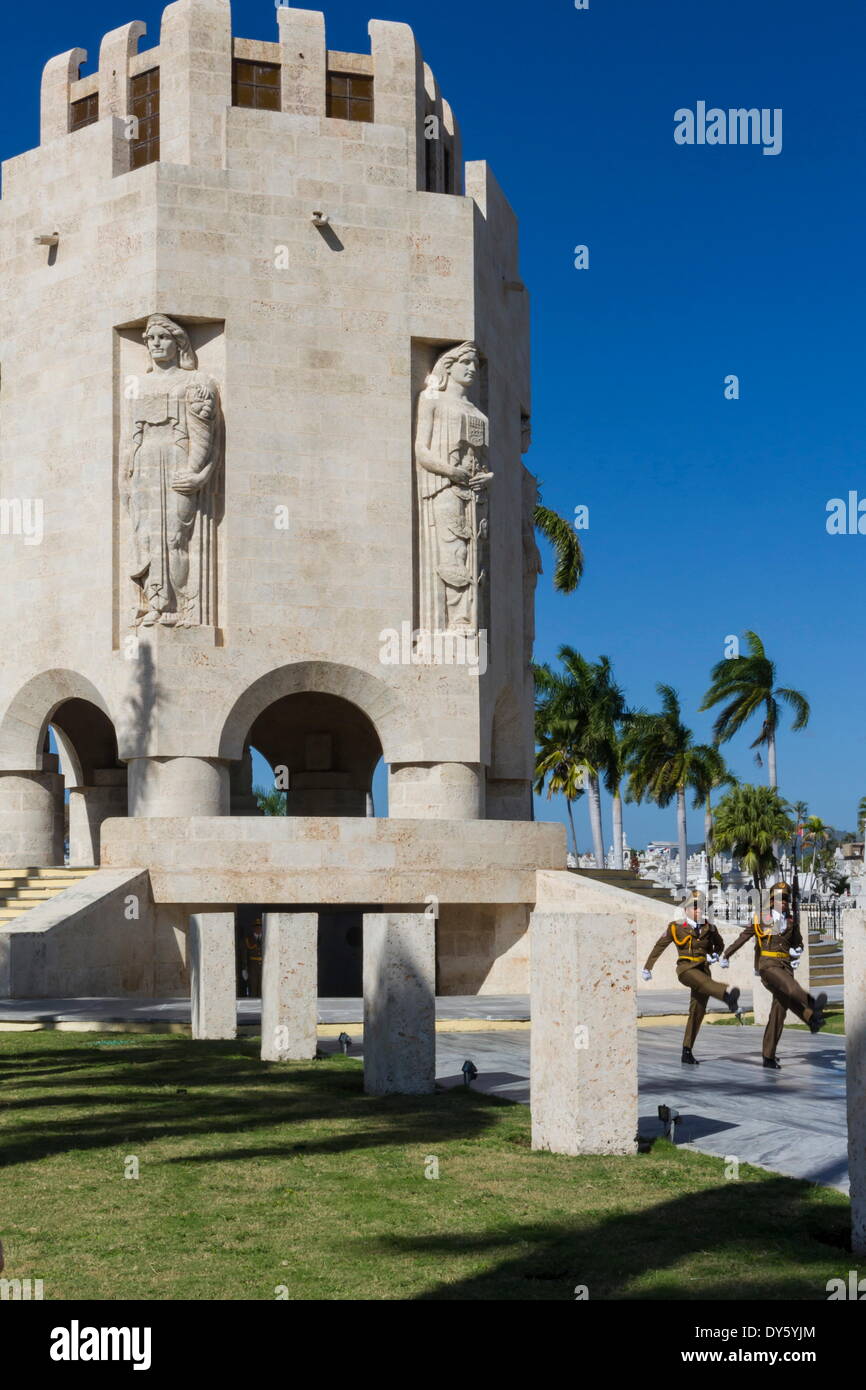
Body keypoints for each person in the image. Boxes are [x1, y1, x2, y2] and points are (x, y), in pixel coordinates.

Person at [722, 881, 826, 1069]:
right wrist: (726, 954)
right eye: (780, 898)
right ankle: (812, 1006)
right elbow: (744, 937)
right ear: (772, 900)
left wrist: (796, 953)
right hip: (768, 965)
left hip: (786, 965)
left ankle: (768, 1056)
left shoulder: (792, 921)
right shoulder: (761, 918)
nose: (783, 901)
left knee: (779, 1010)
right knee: (790, 987)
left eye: (786, 898)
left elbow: (798, 944)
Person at [642, 888, 743, 1064]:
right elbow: (659, 946)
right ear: (686, 910)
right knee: (704, 982)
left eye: (701, 907)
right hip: (685, 969)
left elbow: (720, 945)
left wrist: (715, 954)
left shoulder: (710, 928)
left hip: (703, 969)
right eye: (694, 907)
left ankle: (687, 1051)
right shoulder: (676, 927)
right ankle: (726, 996)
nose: (698, 910)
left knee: (697, 1011)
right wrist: (648, 967)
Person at [243, 917, 264, 998]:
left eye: (259, 927)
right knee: (253, 986)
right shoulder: (248, 939)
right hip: (252, 966)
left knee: (263, 986)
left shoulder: (266, 938)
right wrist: (244, 968)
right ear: (253, 928)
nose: (258, 928)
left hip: (264, 966)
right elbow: (244, 954)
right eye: (256, 927)